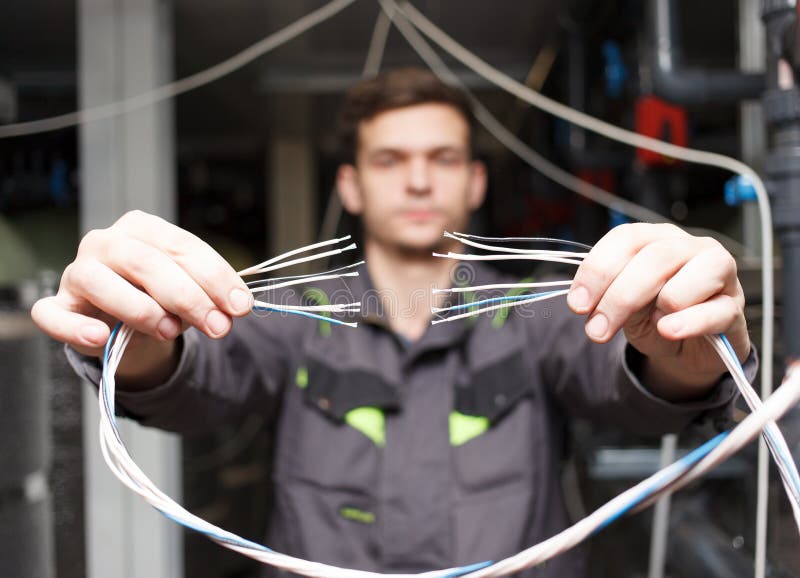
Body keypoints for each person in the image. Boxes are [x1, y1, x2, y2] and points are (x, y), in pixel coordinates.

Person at [32, 68, 755, 577]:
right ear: (350, 184)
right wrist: (137, 337)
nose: (417, 179)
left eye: (442, 158)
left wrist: (685, 357)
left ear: (475, 181)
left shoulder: (540, 310)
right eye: (390, 159)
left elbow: (628, 380)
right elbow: (199, 378)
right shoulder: (297, 312)